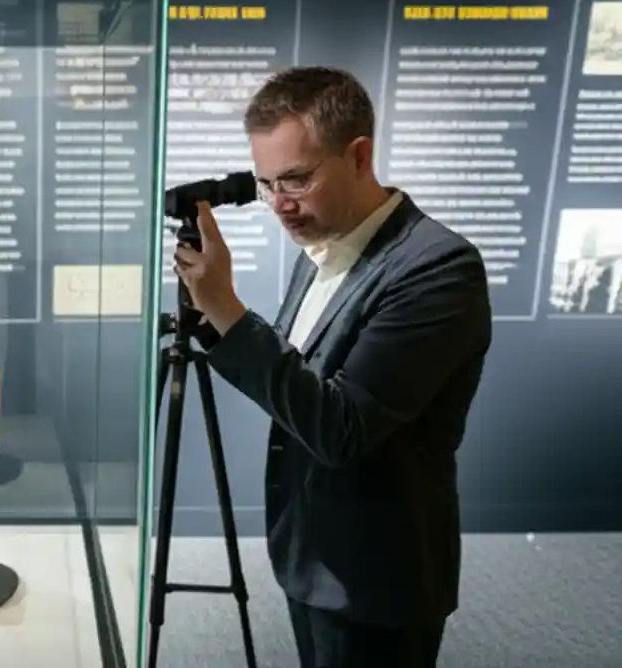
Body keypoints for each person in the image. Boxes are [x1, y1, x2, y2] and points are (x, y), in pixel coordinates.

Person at [172, 66, 493, 667]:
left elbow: (341, 428)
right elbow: (301, 375)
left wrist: (228, 310)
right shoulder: (323, 243)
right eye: (267, 184)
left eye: (296, 179)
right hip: (314, 554)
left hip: (376, 577)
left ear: (360, 156)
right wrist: (214, 321)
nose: (280, 205)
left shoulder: (439, 269)